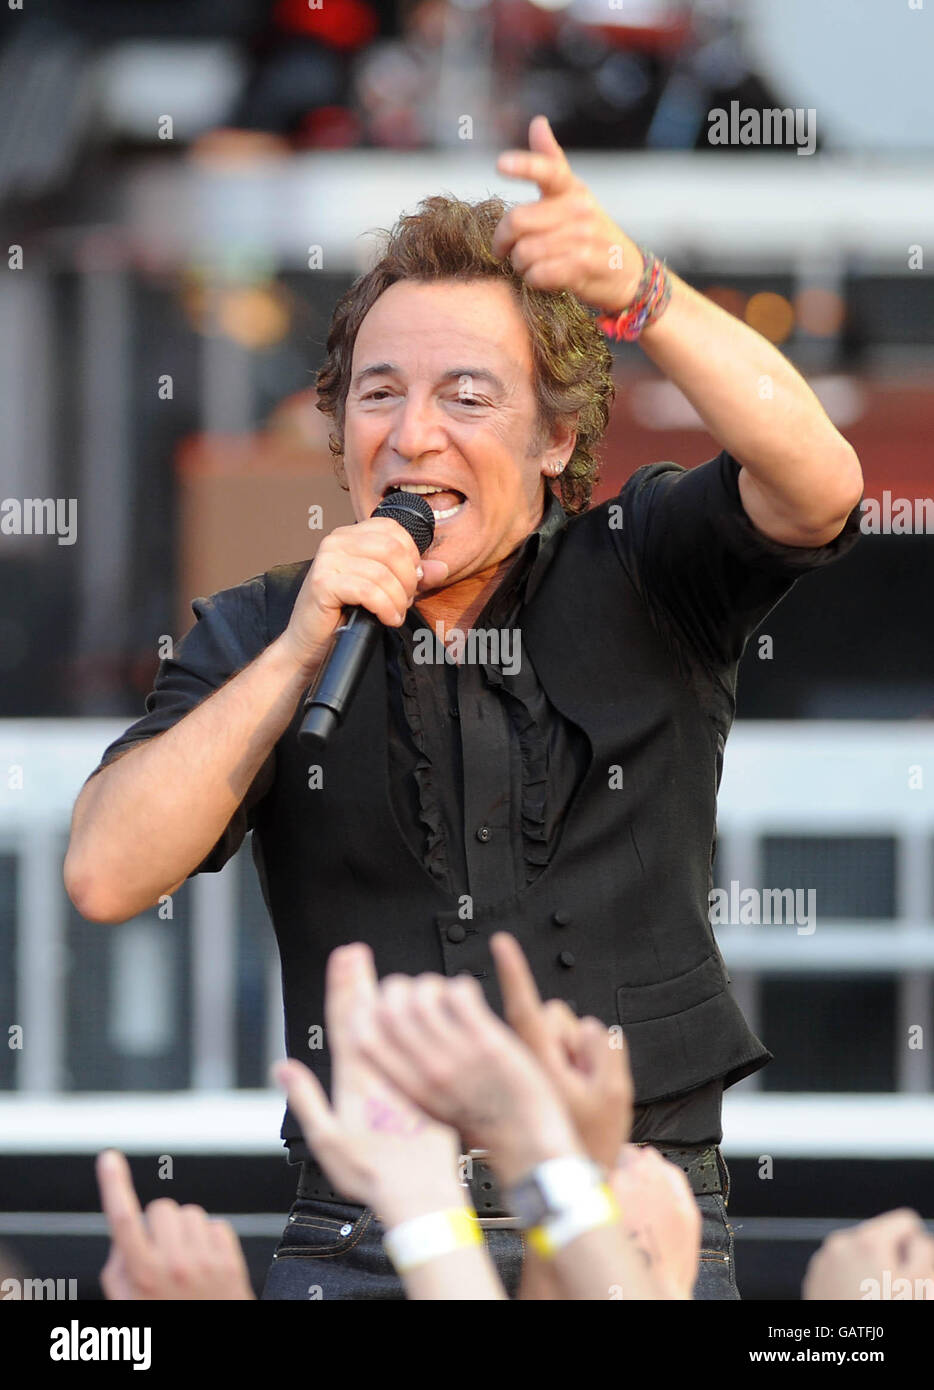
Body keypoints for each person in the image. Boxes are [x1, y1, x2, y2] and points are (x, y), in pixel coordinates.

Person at [64, 114, 863, 1300]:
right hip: (365, 1227)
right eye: (378, 394)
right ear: (340, 436)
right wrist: (294, 659)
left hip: (630, 1208)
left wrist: (640, 293)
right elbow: (106, 873)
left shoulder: (642, 563)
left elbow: (816, 484)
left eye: (466, 396)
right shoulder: (261, 628)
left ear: (557, 437)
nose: (413, 433)